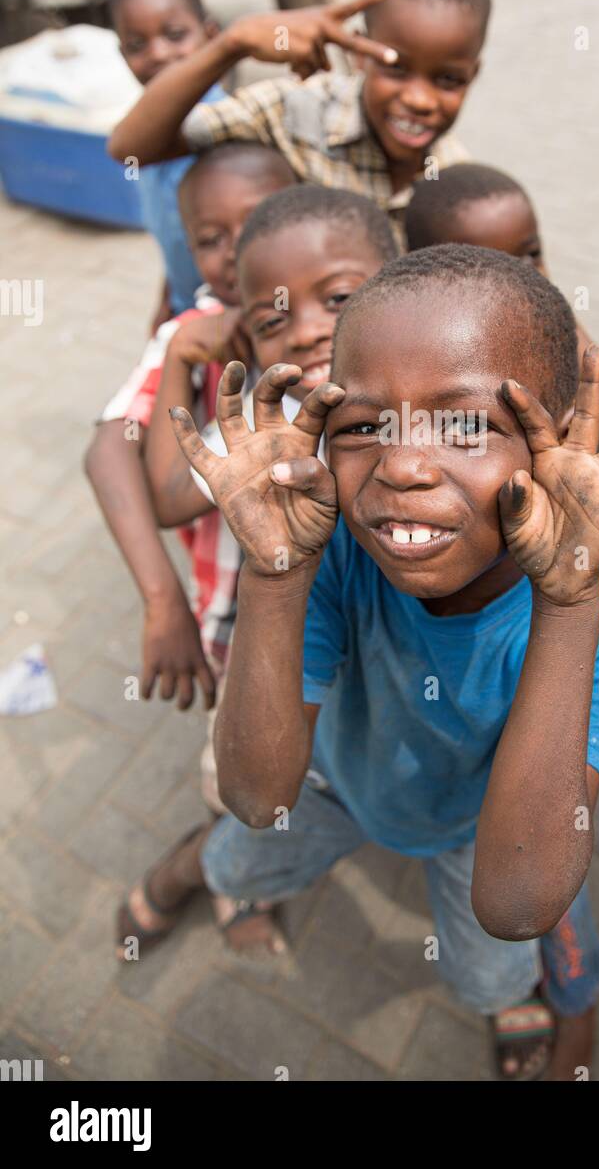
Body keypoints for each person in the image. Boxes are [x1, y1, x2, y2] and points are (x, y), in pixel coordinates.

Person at [153, 247, 599, 1079]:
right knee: (236, 851)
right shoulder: (330, 558)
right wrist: (274, 572)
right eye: (362, 427)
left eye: (466, 425)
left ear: (557, 447)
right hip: (336, 786)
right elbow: (259, 795)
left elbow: (515, 901)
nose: (401, 465)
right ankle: (179, 872)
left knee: (497, 965)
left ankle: (553, 1002)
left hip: (481, 829)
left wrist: (568, 603)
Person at [116, 182, 398, 958]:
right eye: (274, 320)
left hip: (394, 675)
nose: (307, 332)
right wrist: (180, 354)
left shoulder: (431, 408)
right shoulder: (266, 433)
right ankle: (223, 877)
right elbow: (171, 494)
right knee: (243, 780)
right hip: (273, 652)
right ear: (247, 334)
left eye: (338, 298)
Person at [108, 0, 488, 242]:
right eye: (396, 67)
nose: (419, 100)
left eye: (447, 80)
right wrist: (232, 43)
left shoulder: (457, 184)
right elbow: (132, 149)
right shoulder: (293, 112)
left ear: (473, 76)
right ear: (358, 53)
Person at [405, 163, 599, 513]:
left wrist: (563, 321)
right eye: (490, 267)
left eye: (531, 255)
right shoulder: (422, 367)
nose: (523, 280)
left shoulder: (546, 348)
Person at [109, 0, 225, 331]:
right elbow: (175, 233)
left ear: (211, 36)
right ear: (121, 53)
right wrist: (168, 300)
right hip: (185, 307)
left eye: (175, 36)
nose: (158, 53)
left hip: (224, 317)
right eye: (137, 45)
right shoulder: (142, 138)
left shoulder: (227, 129)